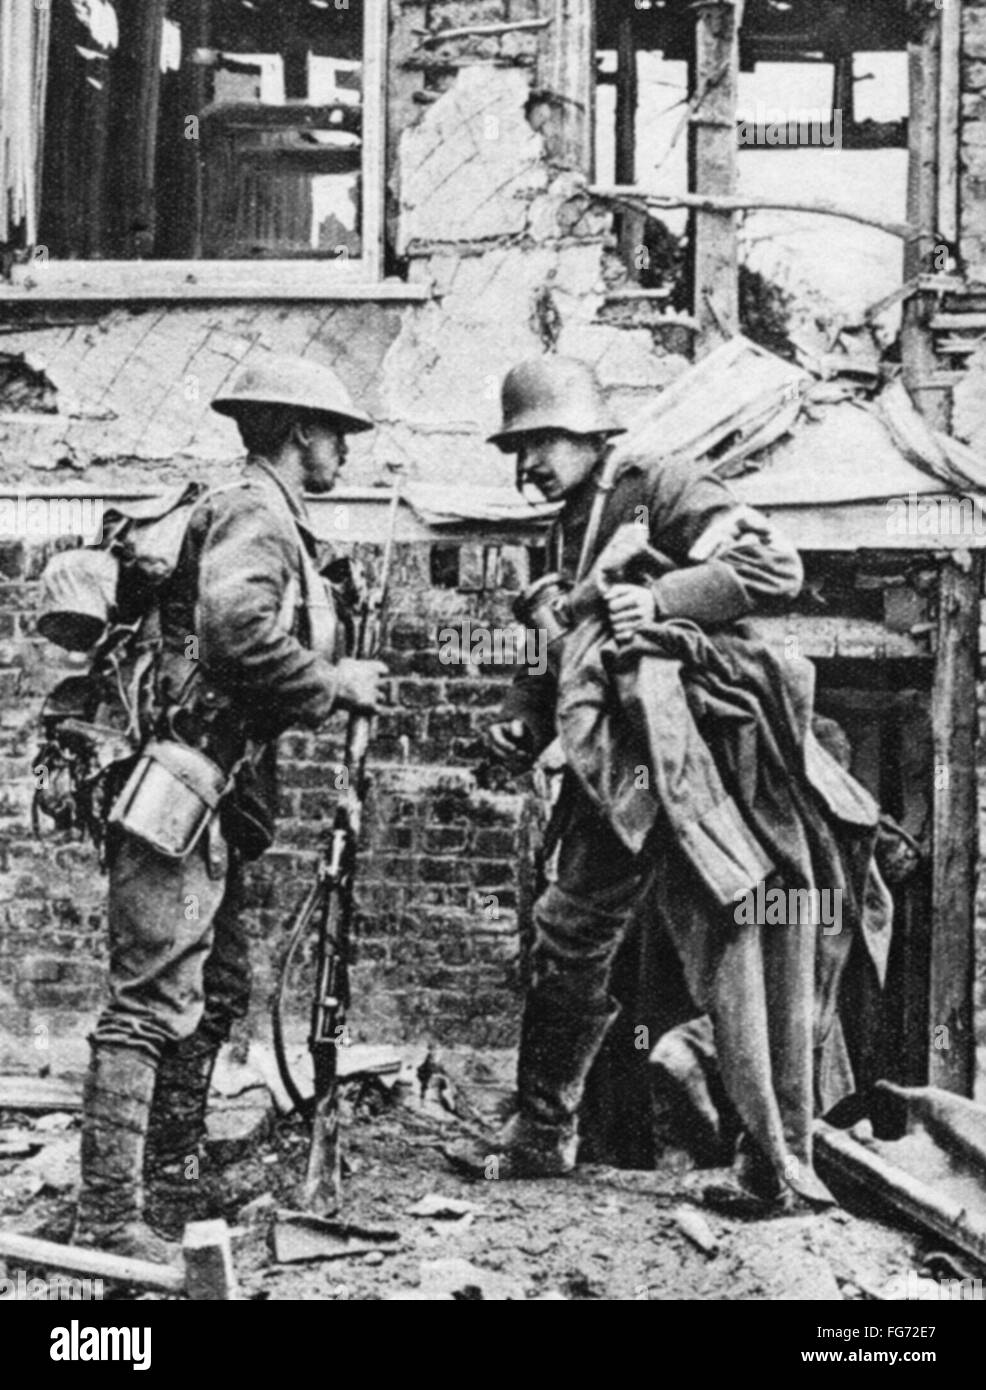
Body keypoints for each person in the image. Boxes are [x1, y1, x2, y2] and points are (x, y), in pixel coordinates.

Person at [449, 356, 886, 1206]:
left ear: (586, 431)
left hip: (700, 769)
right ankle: (543, 1134)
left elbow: (774, 566)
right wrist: (523, 716)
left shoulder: (665, 487)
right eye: (517, 448)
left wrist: (666, 601)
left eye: (537, 442)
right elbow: (567, 651)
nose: (525, 465)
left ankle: (771, 1166)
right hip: (619, 773)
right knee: (567, 932)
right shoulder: (566, 527)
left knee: (740, 944)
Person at [73, 354, 388, 1259]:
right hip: (178, 786)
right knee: (150, 998)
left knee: (219, 988)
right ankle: (106, 1217)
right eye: (335, 435)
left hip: (216, 791)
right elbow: (236, 632)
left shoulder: (270, 517)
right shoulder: (254, 511)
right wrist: (335, 683)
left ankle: (169, 1174)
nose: (342, 454)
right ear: (297, 433)